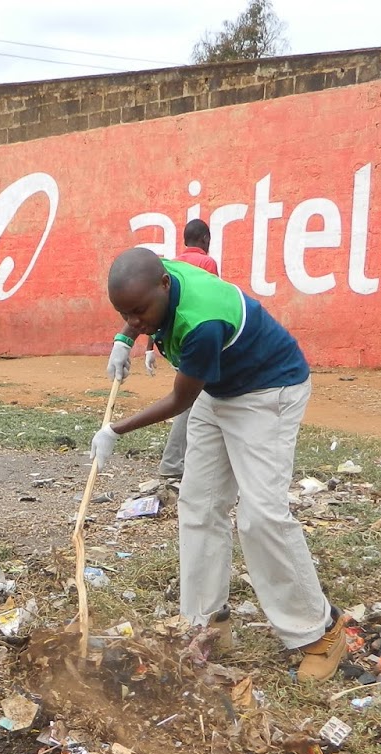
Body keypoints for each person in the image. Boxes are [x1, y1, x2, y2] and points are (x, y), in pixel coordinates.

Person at [92, 246, 348, 682]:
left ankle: (321, 631)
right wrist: (124, 339)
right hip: (221, 389)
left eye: (139, 313)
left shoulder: (202, 323)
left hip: (269, 390)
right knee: (199, 502)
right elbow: (137, 306)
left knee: (261, 515)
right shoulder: (158, 275)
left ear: (165, 286)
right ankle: (206, 624)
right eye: (125, 314)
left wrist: (115, 429)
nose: (136, 322)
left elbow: (180, 400)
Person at [141, 219, 220, 479]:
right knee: (190, 401)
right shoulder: (207, 263)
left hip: (173, 342)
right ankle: (173, 463)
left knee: (197, 401)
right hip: (196, 340)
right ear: (205, 239)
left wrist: (149, 348)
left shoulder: (171, 266)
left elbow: (156, 314)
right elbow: (212, 303)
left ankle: (189, 462)